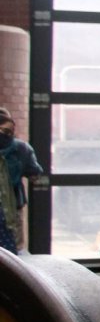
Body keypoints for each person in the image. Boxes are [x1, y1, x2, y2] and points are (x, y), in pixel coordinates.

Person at [0, 107, 43, 254]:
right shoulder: (21, 148)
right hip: (13, 206)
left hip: (12, 207)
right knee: (14, 251)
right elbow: (34, 174)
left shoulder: (21, 148)